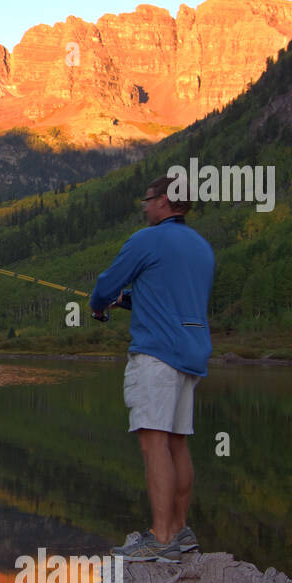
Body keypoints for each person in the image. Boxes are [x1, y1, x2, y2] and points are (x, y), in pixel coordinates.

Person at [90, 174, 215, 562]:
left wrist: (101, 304)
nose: (144, 207)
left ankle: (159, 540)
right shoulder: (202, 247)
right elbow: (171, 294)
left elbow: (106, 283)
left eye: (147, 200)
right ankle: (179, 531)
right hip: (191, 354)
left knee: (152, 441)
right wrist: (130, 301)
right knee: (177, 440)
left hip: (157, 354)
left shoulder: (147, 240)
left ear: (163, 200)